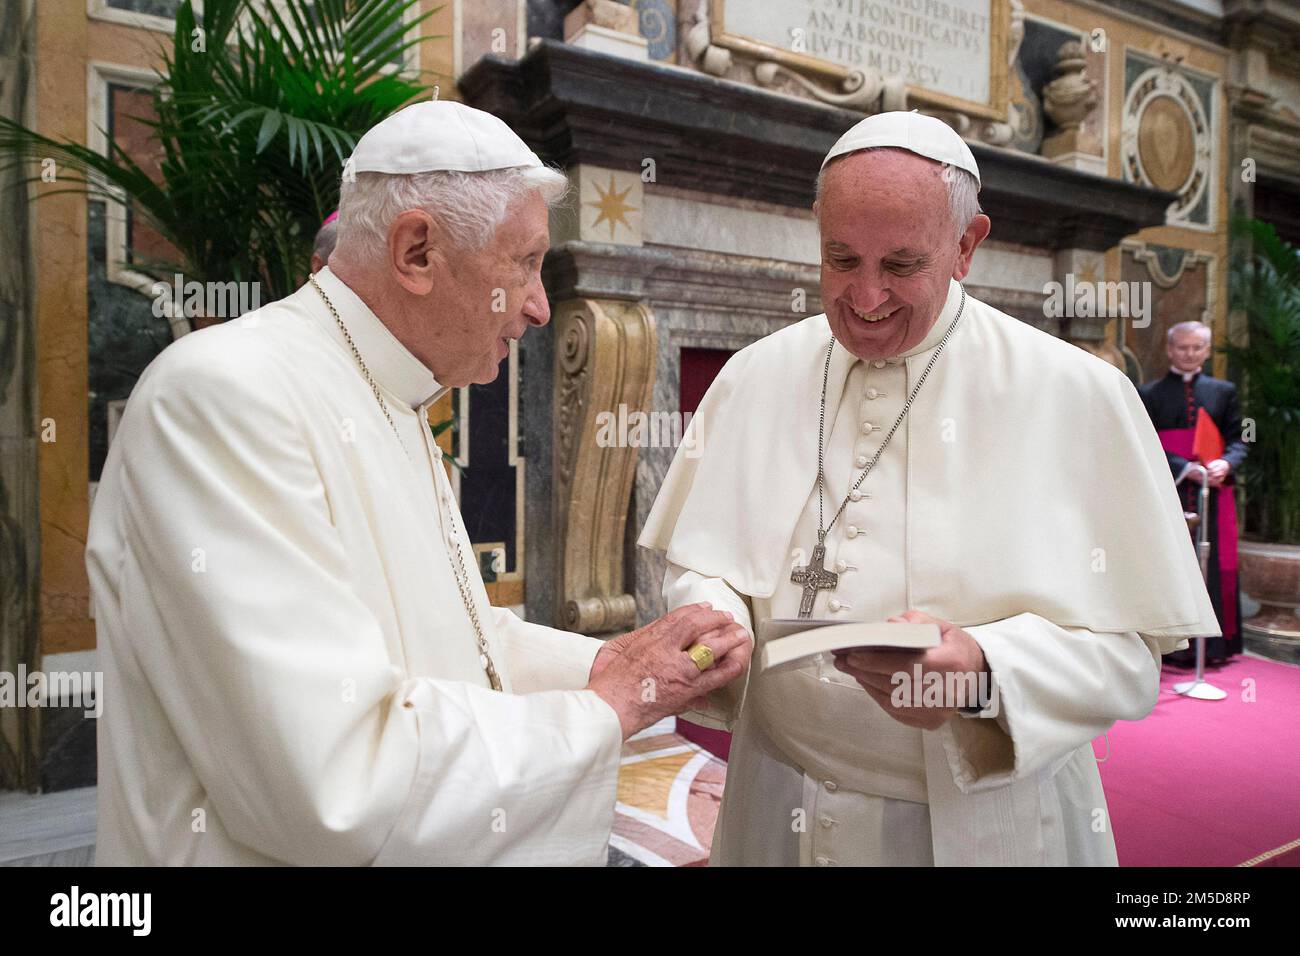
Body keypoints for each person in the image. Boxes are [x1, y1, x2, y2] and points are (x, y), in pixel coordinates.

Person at [86, 101, 750, 866]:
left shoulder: (393, 395)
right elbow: (331, 780)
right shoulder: (222, 395)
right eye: (526, 261)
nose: (539, 307)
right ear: (417, 251)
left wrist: (604, 666)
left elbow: (452, 639)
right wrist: (607, 704)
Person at [638, 111, 1218, 866]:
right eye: (841, 259)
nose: (866, 296)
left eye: (902, 265)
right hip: (777, 797)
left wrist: (983, 671)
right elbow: (701, 557)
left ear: (968, 245)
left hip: (977, 826)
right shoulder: (757, 373)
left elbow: (1134, 655)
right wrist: (711, 613)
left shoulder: (1077, 394)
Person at [1139, 320, 1248, 663]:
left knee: (1212, 565)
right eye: (1182, 347)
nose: (1189, 354)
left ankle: (1213, 647)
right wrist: (1185, 468)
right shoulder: (1149, 393)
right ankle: (1171, 649)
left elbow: (1241, 437)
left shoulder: (1224, 391)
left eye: (1196, 347)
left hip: (1214, 494)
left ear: (1206, 350)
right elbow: (1143, 441)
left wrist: (1226, 464)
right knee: (1170, 563)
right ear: (1170, 349)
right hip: (1168, 490)